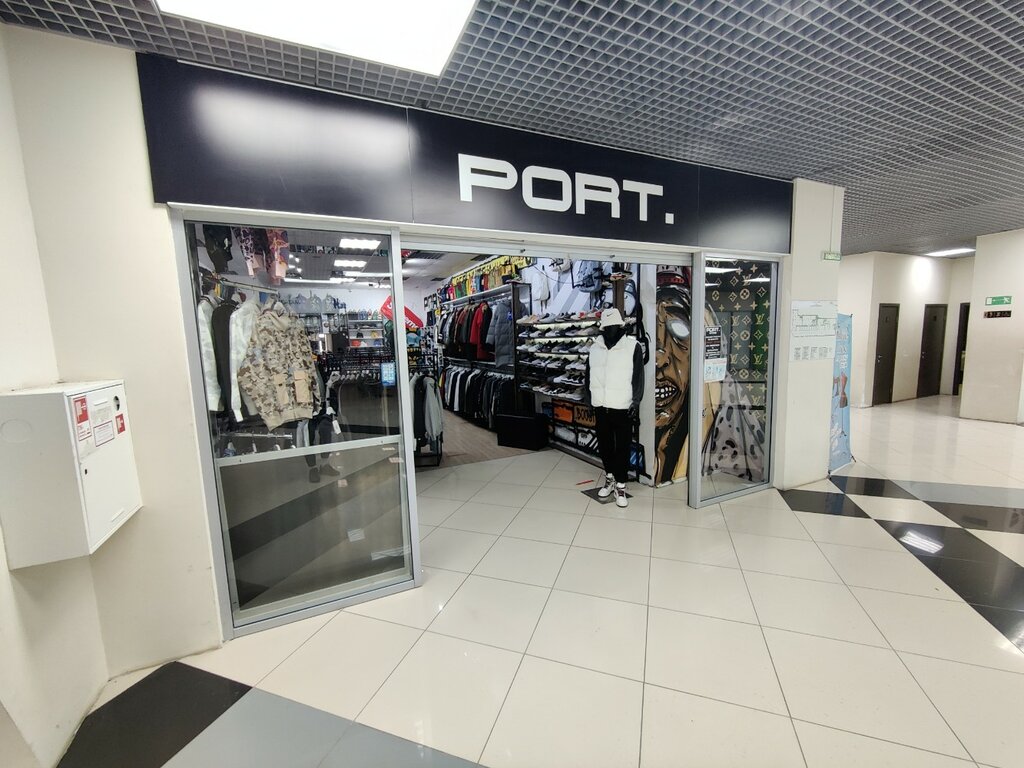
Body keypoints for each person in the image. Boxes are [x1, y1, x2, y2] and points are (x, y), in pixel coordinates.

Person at [586, 308, 643, 507]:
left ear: (619, 326)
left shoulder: (633, 346)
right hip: (601, 406)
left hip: (622, 406)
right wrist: (589, 399)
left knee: (623, 448)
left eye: (613, 326)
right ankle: (609, 477)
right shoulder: (595, 348)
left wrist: (636, 401)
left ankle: (621, 485)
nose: (610, 330)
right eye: (607, 327)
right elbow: (588, 376)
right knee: (605, 445)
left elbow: (638, 377)